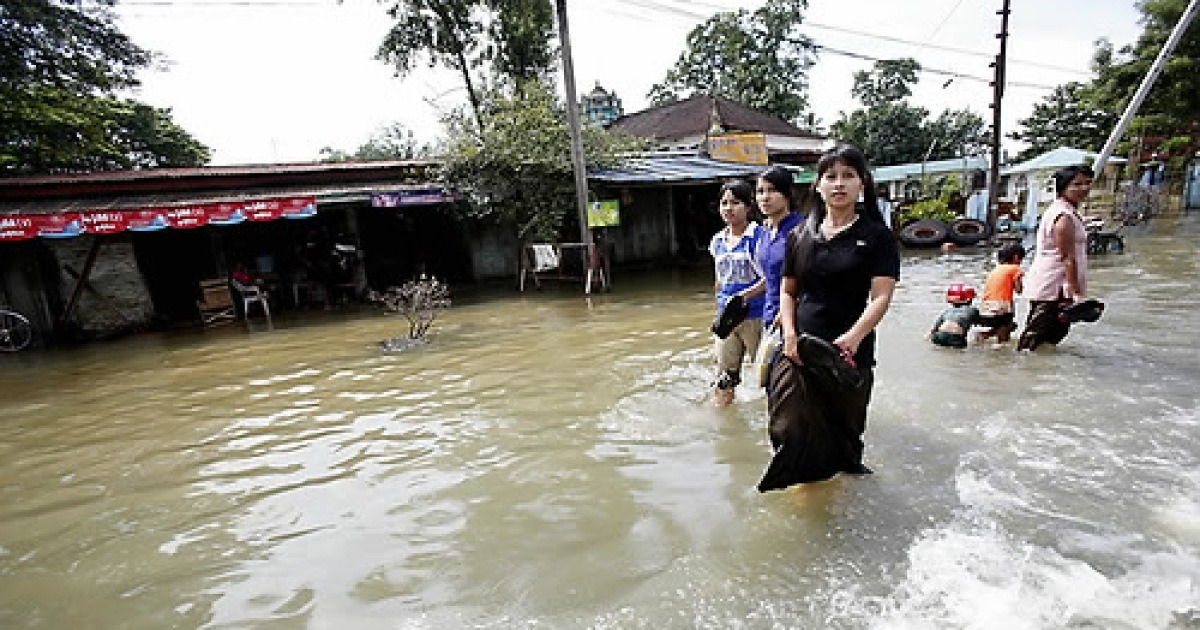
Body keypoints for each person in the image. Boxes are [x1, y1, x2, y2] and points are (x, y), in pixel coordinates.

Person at [758, 144, 900, 492]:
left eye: (848, 176)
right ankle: (802, 495)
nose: (839, 184)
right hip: (799, 348)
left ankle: (846, 497)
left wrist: (853, 338)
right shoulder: (800, 236)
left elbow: (881, 297)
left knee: (845, 438)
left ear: (862, 183)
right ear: (818, 185)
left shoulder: (877, 237)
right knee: (790, 427)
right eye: (830, 176)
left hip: (850, 352)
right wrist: (790, 335)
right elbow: (788, 292)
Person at [1017, 165, 1093, 351]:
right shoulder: (1063, 216)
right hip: (1054, 285)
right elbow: (1067, 257)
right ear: (1062, 187)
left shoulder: (1068, 212)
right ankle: (1018, 366)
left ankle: (1036, 367)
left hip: (1056, 285)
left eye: (1087, 183)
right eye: (1077, 184)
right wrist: (1076, 293)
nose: (1084, 188)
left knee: (1052, 335)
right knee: (1034, 337)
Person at [709, 180, 766, 406]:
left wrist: (745, 296)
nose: (728, 208)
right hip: (728, 318)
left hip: (757, 316)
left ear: (748, 207)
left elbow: (771, 279)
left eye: (735, 203)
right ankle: (721, 421)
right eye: (724, 203)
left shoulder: (759, 237)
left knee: (767, 376)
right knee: (723, 379)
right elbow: (719, 280)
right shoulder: (717, 241)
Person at [740, 165, 805, 332]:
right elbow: (772, 276)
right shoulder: (766, 232)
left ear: (787, 194)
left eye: (772, 190)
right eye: (760, 191)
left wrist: (787, 312)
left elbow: (810, 281)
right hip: (770, 316)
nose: (765, 198)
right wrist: (746, 295)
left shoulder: (801, 231)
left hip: (797, 321)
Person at [976, 242, 1025, 344]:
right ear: (1016, 257)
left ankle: (986, 335)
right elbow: (1019, 290)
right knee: (1006, 331)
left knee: (1009, 326)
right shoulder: (1015, 268)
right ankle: (991, 339)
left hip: (985, 307)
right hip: (1001, 306)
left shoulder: (995, 270)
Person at [928, 283, 980, 349]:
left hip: (939, 336)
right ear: (970, 300)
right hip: (955, 338)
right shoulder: (973, 310)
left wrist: (928, 336)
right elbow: (981, 323)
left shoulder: (947, 311)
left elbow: (934, 329)